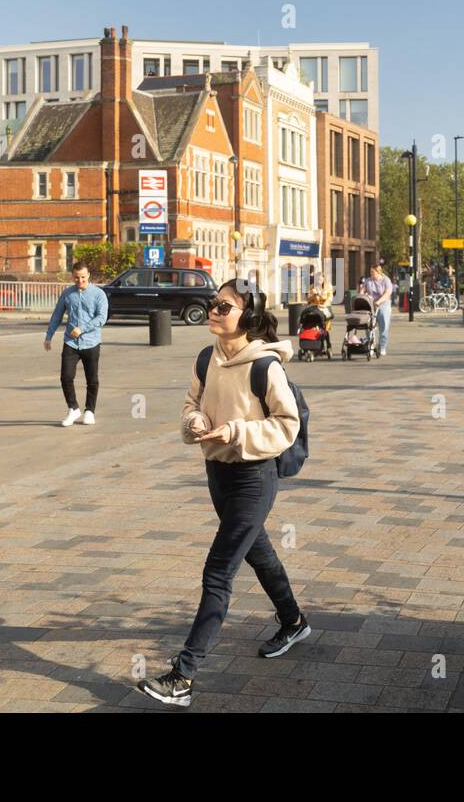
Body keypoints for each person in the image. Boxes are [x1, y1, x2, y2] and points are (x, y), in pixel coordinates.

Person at [138, 279, 306, 708]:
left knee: (218, 572)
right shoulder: (205, 358)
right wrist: (194, 421)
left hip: (255, 476)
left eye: (224, 307)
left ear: (247, 317)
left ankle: (183, 675)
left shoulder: (265, 367)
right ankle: (294, 621)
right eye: (213, 304)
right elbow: (190, 404)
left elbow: (288, 426)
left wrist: (234, 429)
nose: (214, 311)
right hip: (218, 472)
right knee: (260, 552)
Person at [45, 262, 109, 426]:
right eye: (76, 278)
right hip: (71, 343)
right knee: (66, 377)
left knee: (92, 379)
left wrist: (83, 329)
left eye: (82, 277)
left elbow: (101, 318)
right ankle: (73, 408)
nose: (79, 281)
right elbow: (57, 315)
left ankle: (90, 411)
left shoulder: (99, 294)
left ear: (88, 276)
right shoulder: (67, 294)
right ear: (72, 277)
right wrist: (49, 336)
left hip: (91, 342)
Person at [360, 264, 394, 356]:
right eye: (370, 272)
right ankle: (371, 345)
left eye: (373, 272)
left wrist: (378, 302)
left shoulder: (385, 280)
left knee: (384, 327)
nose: (371, 274)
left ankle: (382, 347)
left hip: (383, 305)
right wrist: (362, 296)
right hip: (371, 305)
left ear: (378, 272)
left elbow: (388, 292)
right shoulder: (368, 281)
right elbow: (362, 290)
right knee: (369, 326)